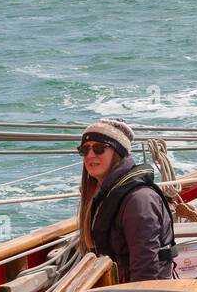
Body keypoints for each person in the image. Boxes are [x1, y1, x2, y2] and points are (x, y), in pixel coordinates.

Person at [75, 118, 177, 283]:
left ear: (117, 153)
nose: (90, 155)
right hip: (117, 288)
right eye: (84, 150)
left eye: (99, 148)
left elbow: (146, 271)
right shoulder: (105, 194)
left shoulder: (139, 201)